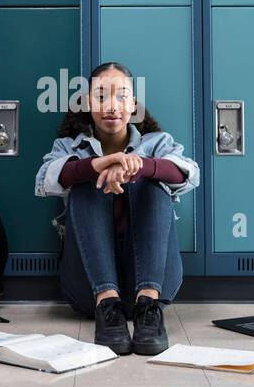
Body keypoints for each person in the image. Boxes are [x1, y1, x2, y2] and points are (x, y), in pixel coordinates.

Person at [36, 62, 199, 356]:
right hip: (87, 288)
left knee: (155, 183)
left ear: (133, 104)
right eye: (101, 96)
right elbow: (46, 179)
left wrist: (142, 167)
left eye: (122, 96)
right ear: (88, 102)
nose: (112, 106)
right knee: (86, 182)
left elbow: (188, 174)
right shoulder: (69, 147)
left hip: (156, 283)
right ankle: (107, 303)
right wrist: (94, 166)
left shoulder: (156, 143)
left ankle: (148, 307)